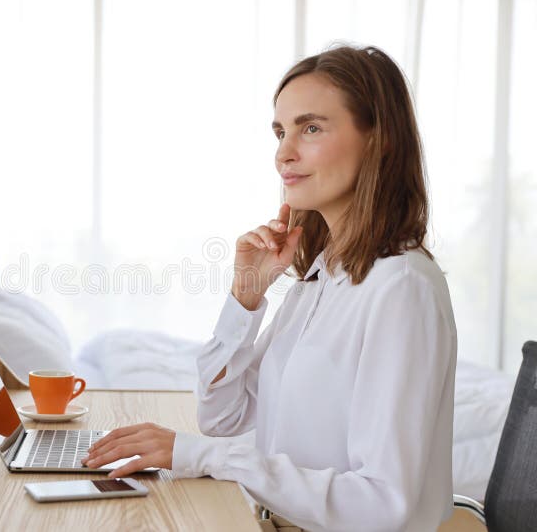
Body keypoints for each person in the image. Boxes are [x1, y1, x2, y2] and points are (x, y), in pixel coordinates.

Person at [82, 45, 457, 531]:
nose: (284, 153)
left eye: (312, 128)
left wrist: (200, 455)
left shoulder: (401, 288)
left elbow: (383, 505)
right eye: (281, 132)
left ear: (378, 140)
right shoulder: (322, 276)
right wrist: (246, 296)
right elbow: (224, 416)